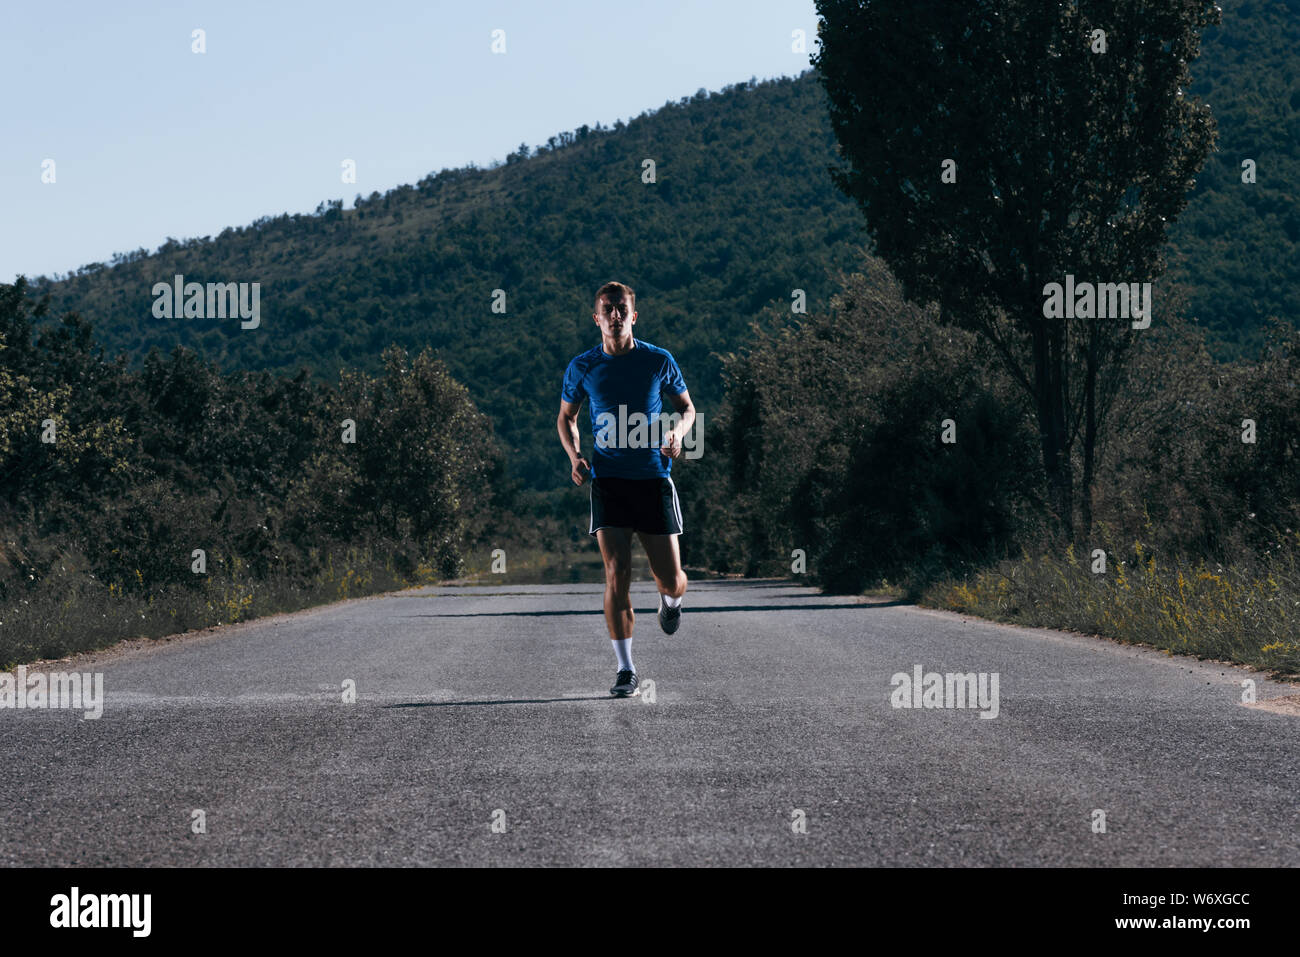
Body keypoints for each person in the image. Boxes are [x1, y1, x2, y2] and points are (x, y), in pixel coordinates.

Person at [556, 281, 695, 697]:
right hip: (609, 482)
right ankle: (625, 669)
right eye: (607, 309)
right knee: (617, 574)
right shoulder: (582, 367)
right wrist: (575, 456)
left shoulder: (658, 360)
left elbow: (686, 408)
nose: (614, 315)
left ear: (633, 316)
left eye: (621, 309)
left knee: (670, 580)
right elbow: (566, 418)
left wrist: (679, 433)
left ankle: (671, 603)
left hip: (653, 479)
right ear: (596, 318)